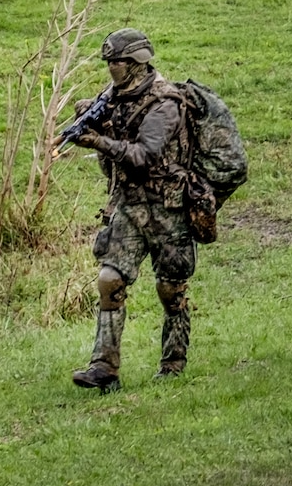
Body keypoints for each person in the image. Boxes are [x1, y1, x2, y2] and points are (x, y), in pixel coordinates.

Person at [67, 28, 199, 390]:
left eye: (117, 62)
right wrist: (89, 120)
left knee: (171, 290)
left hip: (167, 209)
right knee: (110, 280)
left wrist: (99, 142)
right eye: (109, 62)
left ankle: (173, 363)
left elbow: (144, 156)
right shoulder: (113, 97)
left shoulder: (165, 103)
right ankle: (104, 369)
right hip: (128, 205)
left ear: (137, 63)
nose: (111, 68)